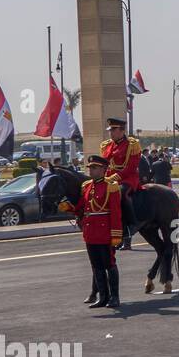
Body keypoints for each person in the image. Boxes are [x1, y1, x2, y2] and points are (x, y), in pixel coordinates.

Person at [59, 154, 122, 309]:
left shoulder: (111, 186)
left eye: (94, 168)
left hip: (105, 232)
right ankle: (102, 297)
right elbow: (82, 207)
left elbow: (115, 212)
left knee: (109, 264)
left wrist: (116, 234)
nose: (91, 171)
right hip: (90, 233)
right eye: (90, 168)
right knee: (96, 266)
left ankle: (114, 297)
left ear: (103, 169)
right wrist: (69, 208)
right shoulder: (87, 186)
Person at [100, 117, 142, 250]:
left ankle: (133, 223)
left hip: (127, 178)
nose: (110, 133)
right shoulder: (107, 145)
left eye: (113, 130)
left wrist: (114, 177)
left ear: (122, 130)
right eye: (110, 130)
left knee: (120, 192)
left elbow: (131, 167)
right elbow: (104, 164)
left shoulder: (132, 145)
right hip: (110, 177)